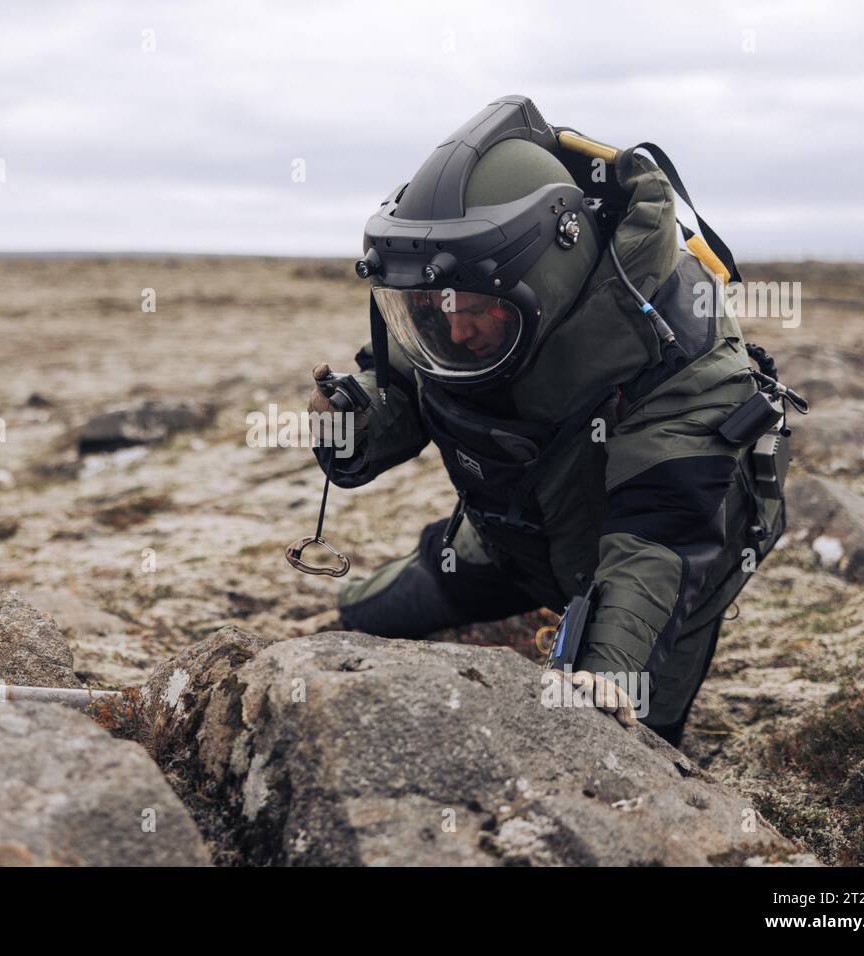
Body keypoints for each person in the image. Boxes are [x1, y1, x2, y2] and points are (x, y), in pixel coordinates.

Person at [307, 96, 789, 746]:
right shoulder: (447, 298)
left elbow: (661, 533)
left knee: (628, 741)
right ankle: (351, 613)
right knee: (365, 614)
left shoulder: (679, 345)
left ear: (549, 277)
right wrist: (353, 419)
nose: (454, 327)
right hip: (514, 538)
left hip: (657, 565)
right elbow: (405, 387)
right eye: (429, 309)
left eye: (475, 309)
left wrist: (606, 668)